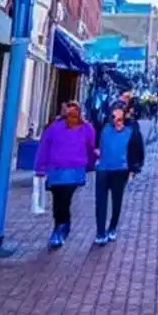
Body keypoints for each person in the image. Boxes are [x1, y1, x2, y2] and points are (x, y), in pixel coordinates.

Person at [34, 102, 98, 250]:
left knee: (64, 199)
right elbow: (44, 147)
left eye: (75, 112)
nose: (72, 115)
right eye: (70, 112)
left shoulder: (86, 128)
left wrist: (91, 162)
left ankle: (61, 227)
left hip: (74, 171)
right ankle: (60, 226)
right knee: (58, 200)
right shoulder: (53, 128)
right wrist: (40, 168)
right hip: (56, 170)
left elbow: (90, 148)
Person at [94, 102, 145, 246]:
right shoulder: (104, 123)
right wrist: (95, 150)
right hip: (103, 168)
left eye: (119, 110)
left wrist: (133, 169)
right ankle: (100, 232)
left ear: (125, 112)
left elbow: (137, 149)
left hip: (120, 169)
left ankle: (112, 227)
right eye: (114, 110)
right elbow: (94, 138)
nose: (116, 112)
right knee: (100, 201)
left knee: (116, 200)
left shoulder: (131, 128)